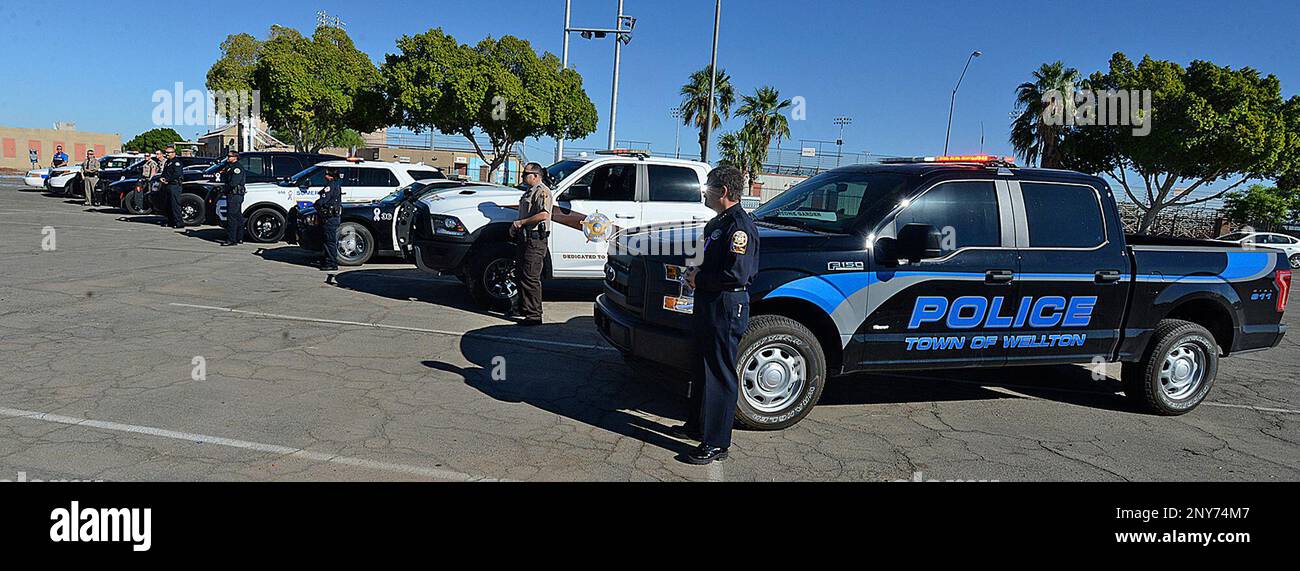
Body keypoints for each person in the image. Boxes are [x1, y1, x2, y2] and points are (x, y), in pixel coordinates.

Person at [675, 165, 759, 465]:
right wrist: (692, 271)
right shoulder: (717, 223)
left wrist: (700, 279)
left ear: (723, 191)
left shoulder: (739, 228)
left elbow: (736, 274)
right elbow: (702, 256)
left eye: (708, 187)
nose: (705, 193)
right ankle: (697, 425)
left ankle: (717, 442)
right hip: (708, 302)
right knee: (701, 366)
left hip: (726, 304)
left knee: (720, 373)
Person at [509, 162, 552, 325]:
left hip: (535, 239)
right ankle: (523, 308)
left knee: (530, 276)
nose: (523, 176)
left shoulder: (542, 191)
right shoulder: (529, 191)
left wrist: (521, 222)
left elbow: (543, 215)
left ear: (535, 175)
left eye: (525, 174)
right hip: (526, 238)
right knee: (520, 274)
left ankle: (534, 315)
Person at [214, 151, 246, 246]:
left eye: (230, 156)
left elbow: (233, 183)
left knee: (231, 217)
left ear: (235, 157)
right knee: (238, 216)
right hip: (232, 195)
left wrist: (224, 189)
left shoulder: (237, 168)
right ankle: (239, 237)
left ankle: (232, 239)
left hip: (235, 195)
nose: (228, 158)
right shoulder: (229, 166)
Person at [315, 168, 343, 271]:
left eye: (326, 174)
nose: (325, 176)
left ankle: (331, 263)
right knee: (327, 241)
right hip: (332, 218)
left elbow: (323, 200)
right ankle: (327, 260)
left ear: (330, 176)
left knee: (329, 241)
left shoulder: (330, 186)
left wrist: (316, 204)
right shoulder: (336, 184)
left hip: (330, 218)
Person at [159, 147, 185, 228]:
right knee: (168, 205)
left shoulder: (177, 162)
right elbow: (164, 172)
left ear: (173, 153)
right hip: (167, 185)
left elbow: (177, 174)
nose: (167, 154)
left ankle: (179, 223)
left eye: (168, 153)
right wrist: (162, 177)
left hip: (174, 185)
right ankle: (171, 221)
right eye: (166, 152)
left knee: (175, 205)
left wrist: (167, 179)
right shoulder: (167, 162)